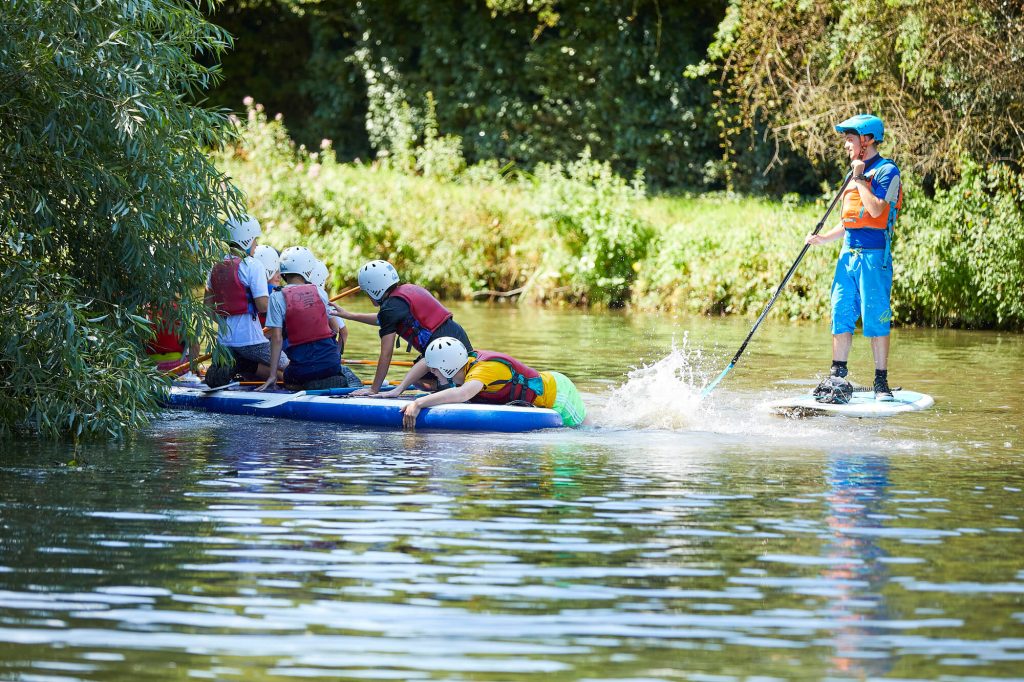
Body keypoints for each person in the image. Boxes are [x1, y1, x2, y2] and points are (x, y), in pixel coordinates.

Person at [805, 114, 902, 401]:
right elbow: (850, 220)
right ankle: (837, 377)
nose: (846, 145)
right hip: (847, 254)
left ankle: (881, 382)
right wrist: (824, 238)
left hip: (874, 256)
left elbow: (875, 210)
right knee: (841, 312)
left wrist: (859, 178)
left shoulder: (887, 171)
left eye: (850, 139)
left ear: (867, 140)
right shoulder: (852, 173)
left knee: (875, 317)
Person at [333, 260, 472, 396]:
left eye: (367, 292)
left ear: (374, 290)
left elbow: (386, 353)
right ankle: (450, 386)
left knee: (418, 377)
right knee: (418, 378)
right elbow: (383, 319)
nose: (368, 296)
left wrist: (374, 389)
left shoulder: (390, 308)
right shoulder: (406, 290)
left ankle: (450, 387)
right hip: (458, 341)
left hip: (444, 350)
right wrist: (349, 315)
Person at [395, 337, 586, 429]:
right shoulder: (464, 368)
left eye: (434, 369)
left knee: (582, 429)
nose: (432, 373)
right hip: (547, 387)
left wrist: (418, 403)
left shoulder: (482, 370)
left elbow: (462, 394)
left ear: (447, 367)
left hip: (559, 394)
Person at [256, 247, 362, 391]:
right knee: (323, 366)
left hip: (302, 371)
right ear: (307, 269)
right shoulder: (320, 292)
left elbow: (277, 338)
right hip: (331, 364)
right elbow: (335, 329)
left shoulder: (276, 296)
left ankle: (305, 384)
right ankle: (334, 375)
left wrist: (272, 376)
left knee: (288, 378)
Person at [204, 215, 286, 387]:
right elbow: (263, 306)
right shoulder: (253, 265)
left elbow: (207, 309)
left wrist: (227, 323)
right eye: (255, 240)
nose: (256, 245)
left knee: (253, 364)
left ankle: (240, 365)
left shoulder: (214, 267)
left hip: (224, 342)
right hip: (251, 341)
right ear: (246, 239)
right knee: (291, 368)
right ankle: (244, 365)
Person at [309, 259, 349, 356]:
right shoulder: (330, 307)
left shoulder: (295, 301)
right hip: (326, 354)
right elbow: (344, 332)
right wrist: (338, 354)